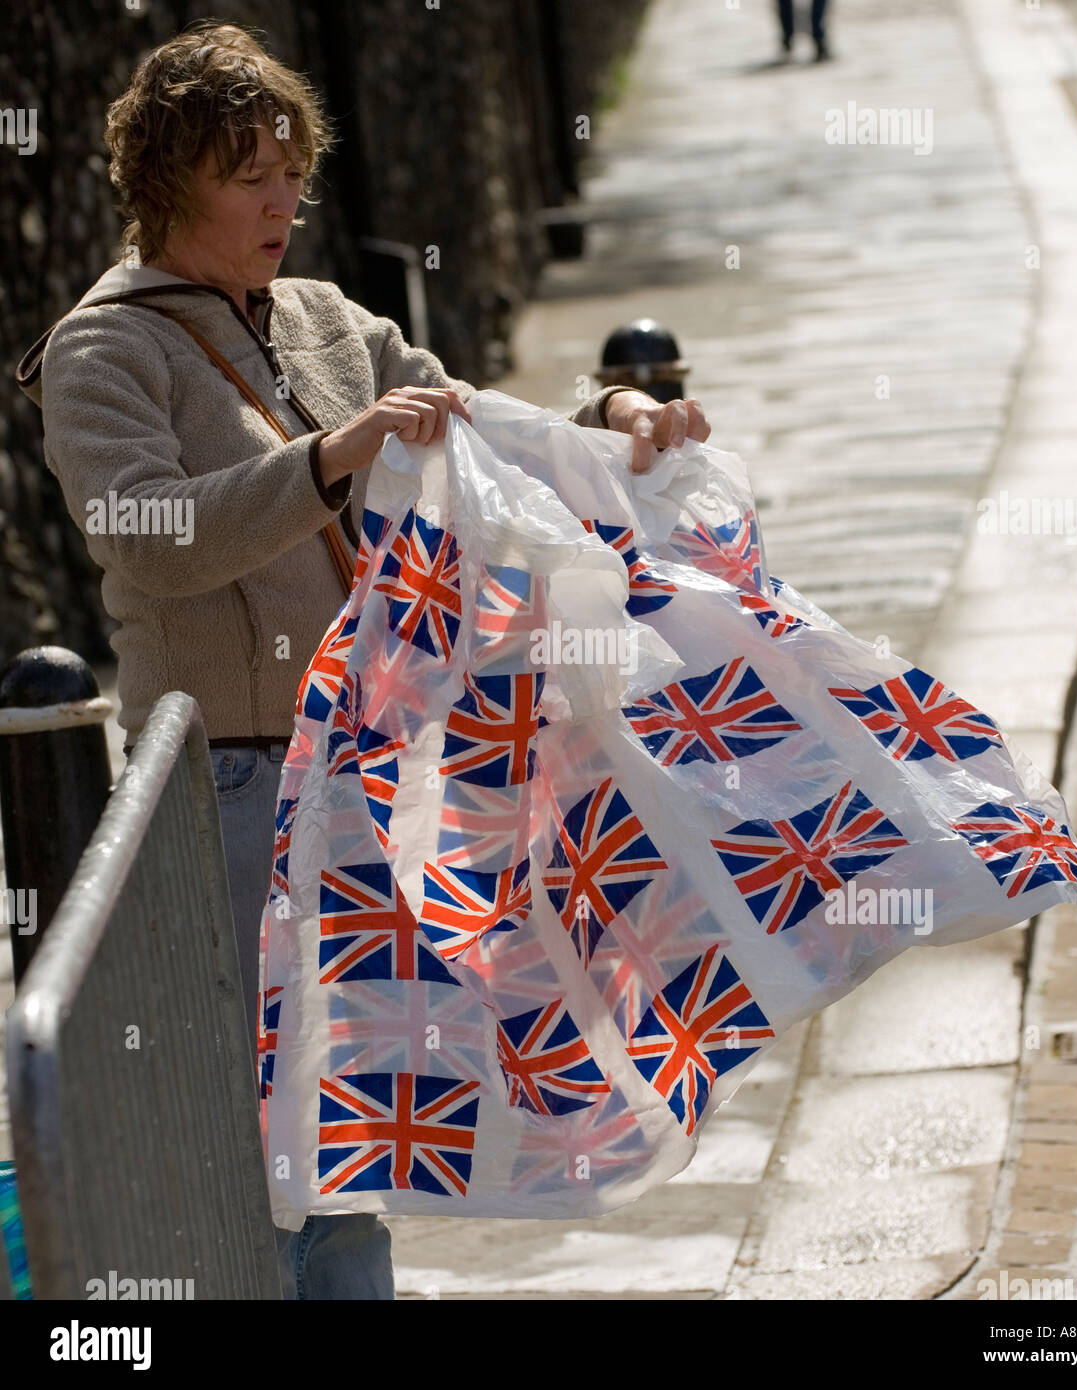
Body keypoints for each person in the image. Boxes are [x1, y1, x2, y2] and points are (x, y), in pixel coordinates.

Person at [14, 21, 712, 1299]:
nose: (285, 201)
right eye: (249, 177)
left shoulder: (325, 316)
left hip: (370, 777)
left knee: (347, 1140)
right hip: (228, 791)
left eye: (294, 171)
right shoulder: (103, 349)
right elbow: (150, 534)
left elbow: (471, 434)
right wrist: (329, 458)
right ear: (169, 183)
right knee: (261, 1145)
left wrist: (610, 419)